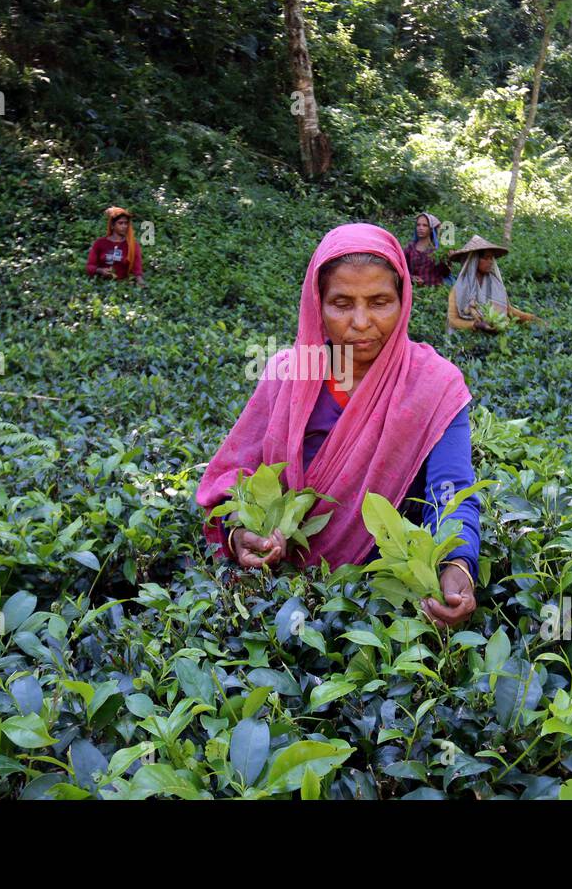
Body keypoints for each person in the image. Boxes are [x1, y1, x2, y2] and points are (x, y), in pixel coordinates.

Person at [196, 223, 482, 628]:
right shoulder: (288, 375)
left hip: (387, 599)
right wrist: (243, 532)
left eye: (380, 301)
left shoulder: (434, 384)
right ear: (318, 305)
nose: (362, 321)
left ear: (404, 301)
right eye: (342, 303)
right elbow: (237, 477)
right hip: (284, 596)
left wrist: (456, 566)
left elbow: (451, 494)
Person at [447, 234, 539, 332]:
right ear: (474, 260)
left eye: (491, 258)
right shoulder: (459, 288)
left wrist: (532, 319)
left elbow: (508, 310)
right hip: (467, 338)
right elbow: (453, 320)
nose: (490, 261)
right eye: (486, 258)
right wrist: (476, 325)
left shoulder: (496, 285)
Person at [87, 206, 145, 285]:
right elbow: (90, 266)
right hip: (100, 285)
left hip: (123, 286)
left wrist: (141, 283)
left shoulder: (133, 246)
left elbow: (137, 270)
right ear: (112, 226)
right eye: (120, 223)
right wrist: (100, 270)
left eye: (126, 223)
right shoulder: (99, 243)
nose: (124, 226)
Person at [403, 212, 450, 286]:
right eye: (418, 225)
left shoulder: (438, 250)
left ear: (431, 229)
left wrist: (447, 258)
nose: (420, 228)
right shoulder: (410, 248)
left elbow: (445, 273)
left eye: (425, 225)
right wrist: (411, 278)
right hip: (414, 291)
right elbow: (402, 269)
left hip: (434, 291)